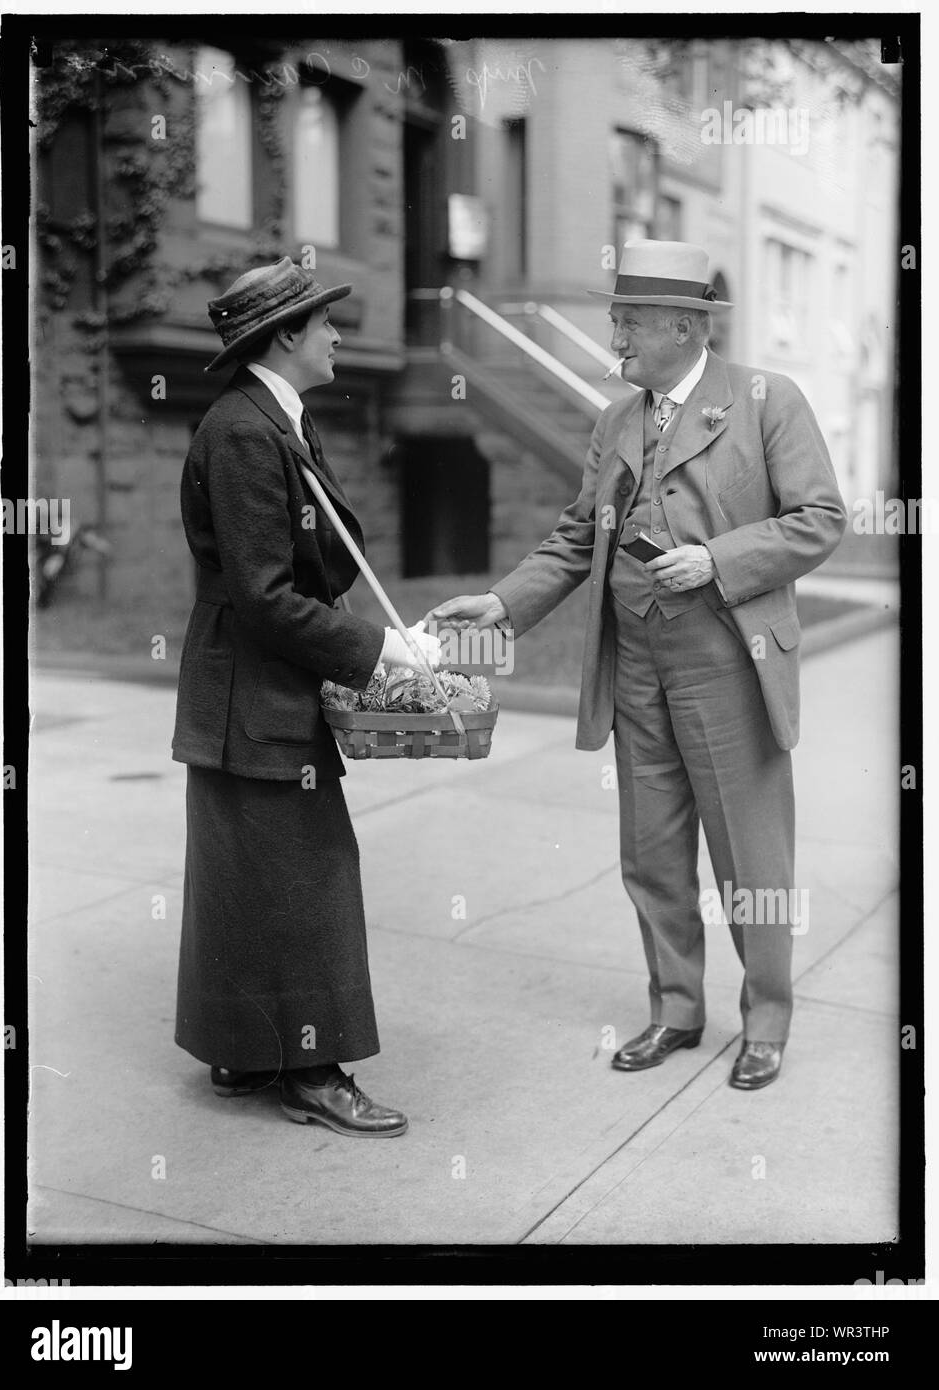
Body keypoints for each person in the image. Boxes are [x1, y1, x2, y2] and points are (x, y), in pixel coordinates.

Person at [427, 240, 847, 1091]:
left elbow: (820, 519)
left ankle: (765, 1019)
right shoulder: (617, 418)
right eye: (615, 315)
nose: (612, 330)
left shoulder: (769, 401)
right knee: (650, 851)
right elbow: (578, 537)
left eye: (628, 317)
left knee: (750, 857)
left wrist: (720, 561)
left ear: (687, 327)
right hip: (638, 669)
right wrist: (504, 604)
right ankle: (676, 1011)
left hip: (728, 663)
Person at [171, 257, 441, 1135]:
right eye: (324, 322)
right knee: (306, 875)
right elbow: (266, 596)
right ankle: (315, 1073)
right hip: (256, 695)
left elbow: (291, 576)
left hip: (249, 690)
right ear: (285, 337)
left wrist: (364, 641)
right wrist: (383, 650)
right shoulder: (248, 430)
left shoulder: (267, 415)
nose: (336, 335)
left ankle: (243, 1053)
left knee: (250, 875)